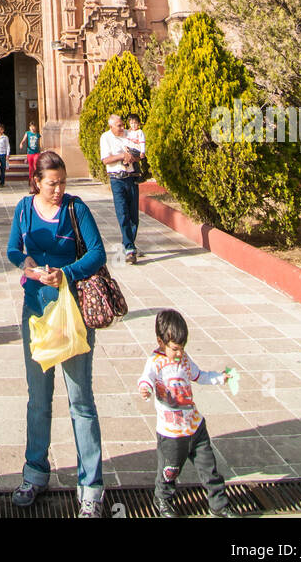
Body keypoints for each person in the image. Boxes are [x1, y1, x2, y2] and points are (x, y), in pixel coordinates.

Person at [7, 150, 107, 518]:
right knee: (38, 398)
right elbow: (13, 249)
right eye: (53, 183)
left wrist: (66, 274)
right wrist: (27, 263)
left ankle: (91, 487)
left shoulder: (75, 208)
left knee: (81, 400)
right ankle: (35, 473)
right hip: (36, 311)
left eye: (63, 181)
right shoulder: (23, 209)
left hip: (73, 312)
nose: (59, 189)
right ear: (37, 181)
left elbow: (97, 253)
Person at [138, 308, 235, 520]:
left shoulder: (184, 359)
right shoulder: (155, 362)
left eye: (182, 348)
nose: (179, 353)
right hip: (171, 433)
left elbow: (199, 375)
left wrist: (220, 378)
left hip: (195, 428)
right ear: (161, 342)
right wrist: (145, 389)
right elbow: (145, 378)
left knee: (210, 469)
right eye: (175, 348)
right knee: (169, 471)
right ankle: (162, 499)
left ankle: (218, 505)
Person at [99, 112, 143, 263]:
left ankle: (128, 244)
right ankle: (130, 247)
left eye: (122, 124)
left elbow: (140, 154)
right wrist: (121, 156)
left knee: (134, 215)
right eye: (119, 126)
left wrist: (133, 157)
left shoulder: (129, 135)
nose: (122, 127)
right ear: (111, 126)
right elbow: (105, 159)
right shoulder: (105, 138)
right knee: (122, 213)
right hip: (117, 179)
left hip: (131, 177)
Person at [19, 119, 41, 188]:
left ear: (35, 127)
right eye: (31, 126)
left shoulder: (38, 135)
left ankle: (36, 180)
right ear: (29, 127)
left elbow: (40, 144)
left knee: (35, 165)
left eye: (33, 126)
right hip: (30, 152)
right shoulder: (27, 133)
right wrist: (21, 143)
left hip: (36, 152)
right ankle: (31, 180)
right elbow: (24, 140)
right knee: (31, 167)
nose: (32, 128)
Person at [0, 122, 11, 187]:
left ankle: (2, 182)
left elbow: (7, 146)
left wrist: (7, 154)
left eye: (1, 130)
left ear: (3, 130)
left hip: (3, 154)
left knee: (3, 169)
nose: (0, 131)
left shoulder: (5, 137)